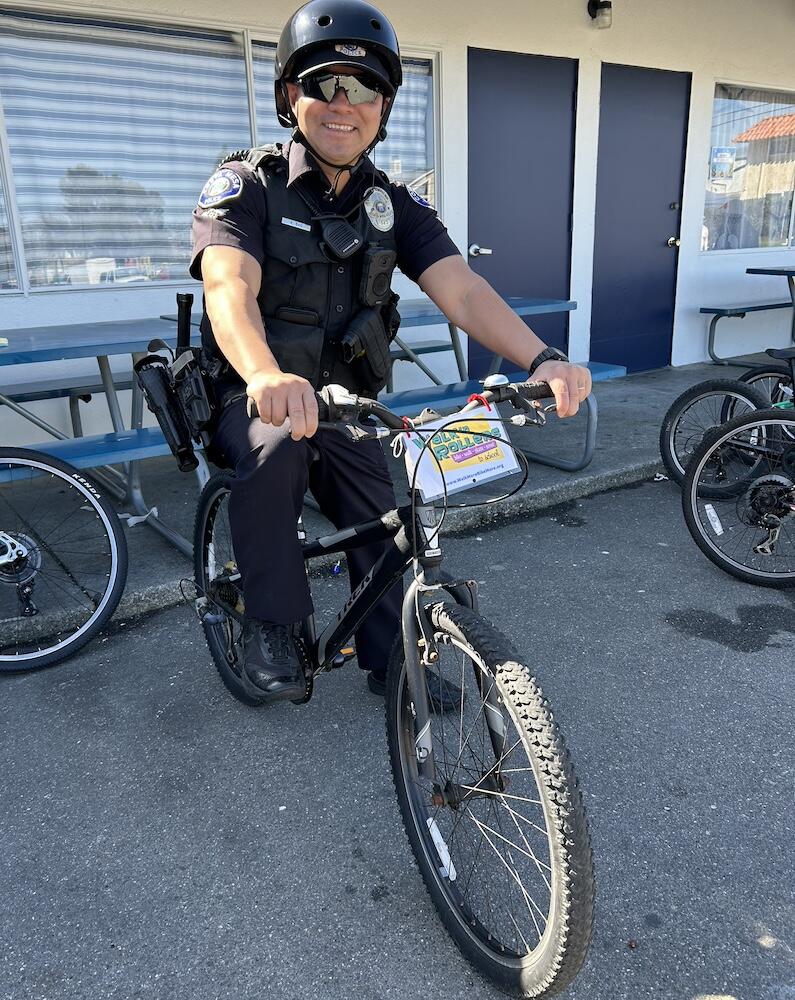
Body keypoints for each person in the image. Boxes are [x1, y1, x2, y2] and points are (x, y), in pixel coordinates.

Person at [190, 0, 591, 705]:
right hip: (257, 395)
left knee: (386, 516)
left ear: (383, 106)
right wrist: (262, 371)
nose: (344, 104)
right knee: (274, 446)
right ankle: (275, 625)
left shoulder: (394, 204)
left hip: (347, 402)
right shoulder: (246, 188)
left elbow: (462, 291)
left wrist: (541, 360)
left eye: (364, 88)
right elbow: (228, 284)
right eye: (325, 85)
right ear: (293, 96)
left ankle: (392, 662)